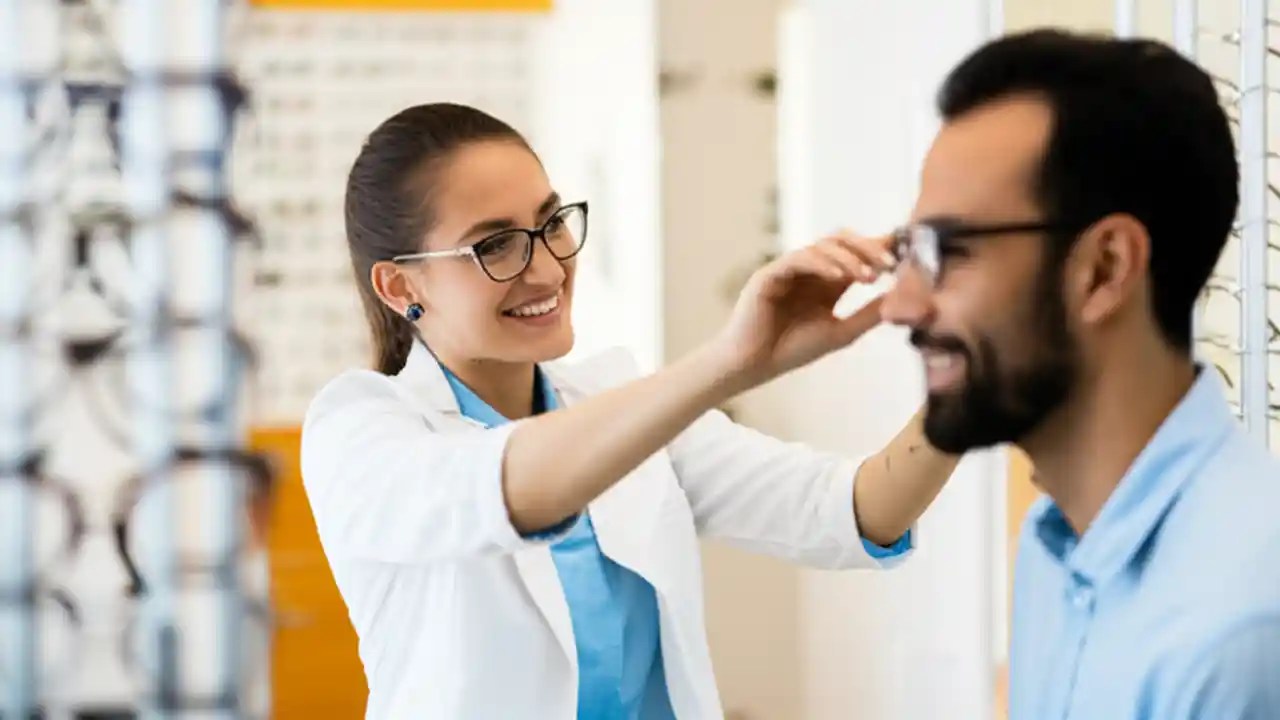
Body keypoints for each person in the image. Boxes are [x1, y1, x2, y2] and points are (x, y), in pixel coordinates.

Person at [300, 102, 958, 719]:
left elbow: (850, 509)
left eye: (552, 224)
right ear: (400, 285)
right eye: (495, 245)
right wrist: (730, 361)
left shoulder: (615, 399)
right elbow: (510, 485)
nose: (548, 269)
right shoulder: (361, 434)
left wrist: (969, 381)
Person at [882, 29, 1280, 720]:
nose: (900, 305)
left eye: (949, 250)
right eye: (907, 252)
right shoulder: (1054, 546)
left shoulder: (1240, 630)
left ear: (1104, 269)